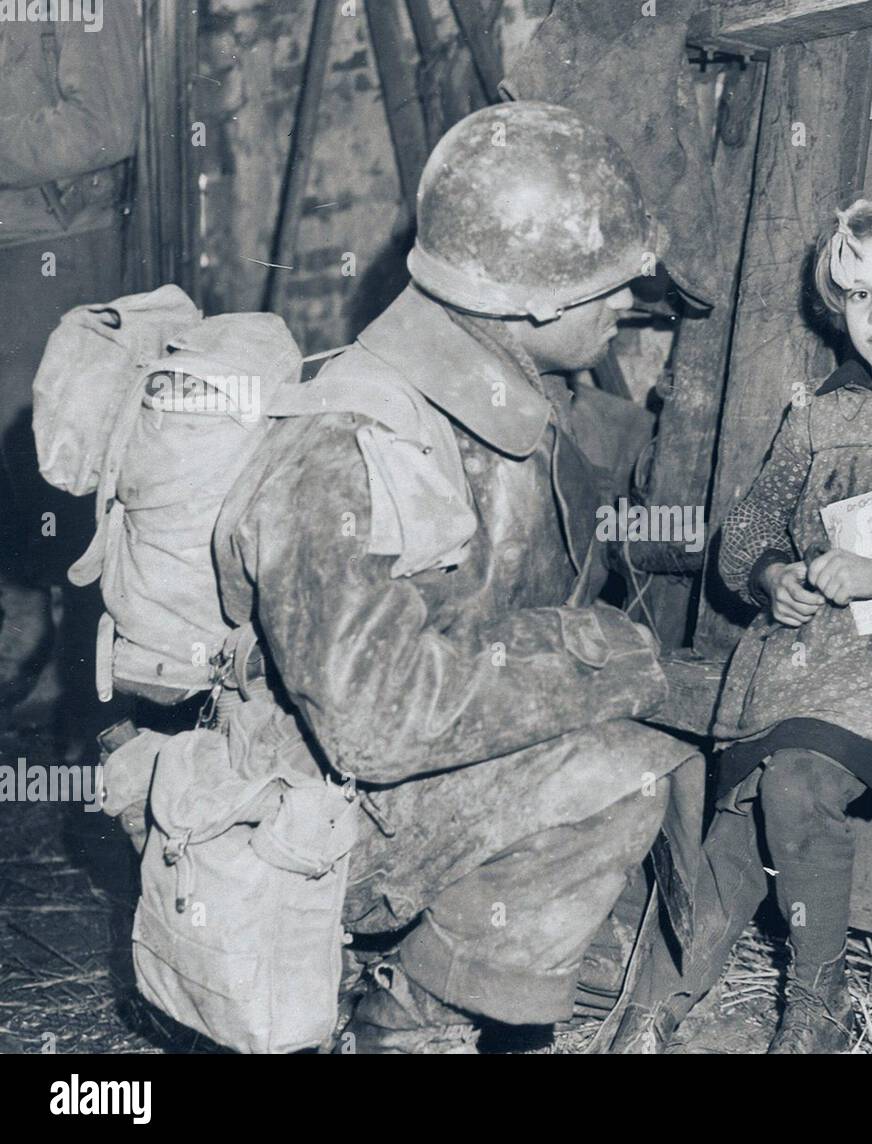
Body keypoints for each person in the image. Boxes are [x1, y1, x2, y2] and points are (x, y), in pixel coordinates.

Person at [213, 102, 699, 1053]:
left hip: (385, 786)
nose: (625, 311)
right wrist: (594, 654)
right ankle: (406, 1019)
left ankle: (427, 979)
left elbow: (539, 569)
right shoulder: (350, 445)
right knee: (626, 773)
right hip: (299, 814)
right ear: (537, 304)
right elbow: (375, 723)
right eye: (609, 293)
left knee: (632, 739)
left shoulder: (499, 386)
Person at [609, 193, 872, 1053]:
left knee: (793, 782)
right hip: (804, 656)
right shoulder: (817, 412)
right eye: (858, 295)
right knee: (736, 817)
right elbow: (745, 531)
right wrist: (770, 577)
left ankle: (816, 1011)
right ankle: (652, 1008)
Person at [0, 1, 141, 725]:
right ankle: (27, 627)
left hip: (52, 249)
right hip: (13, 238)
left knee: (56, 460)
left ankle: (81, 686)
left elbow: (107, 125)